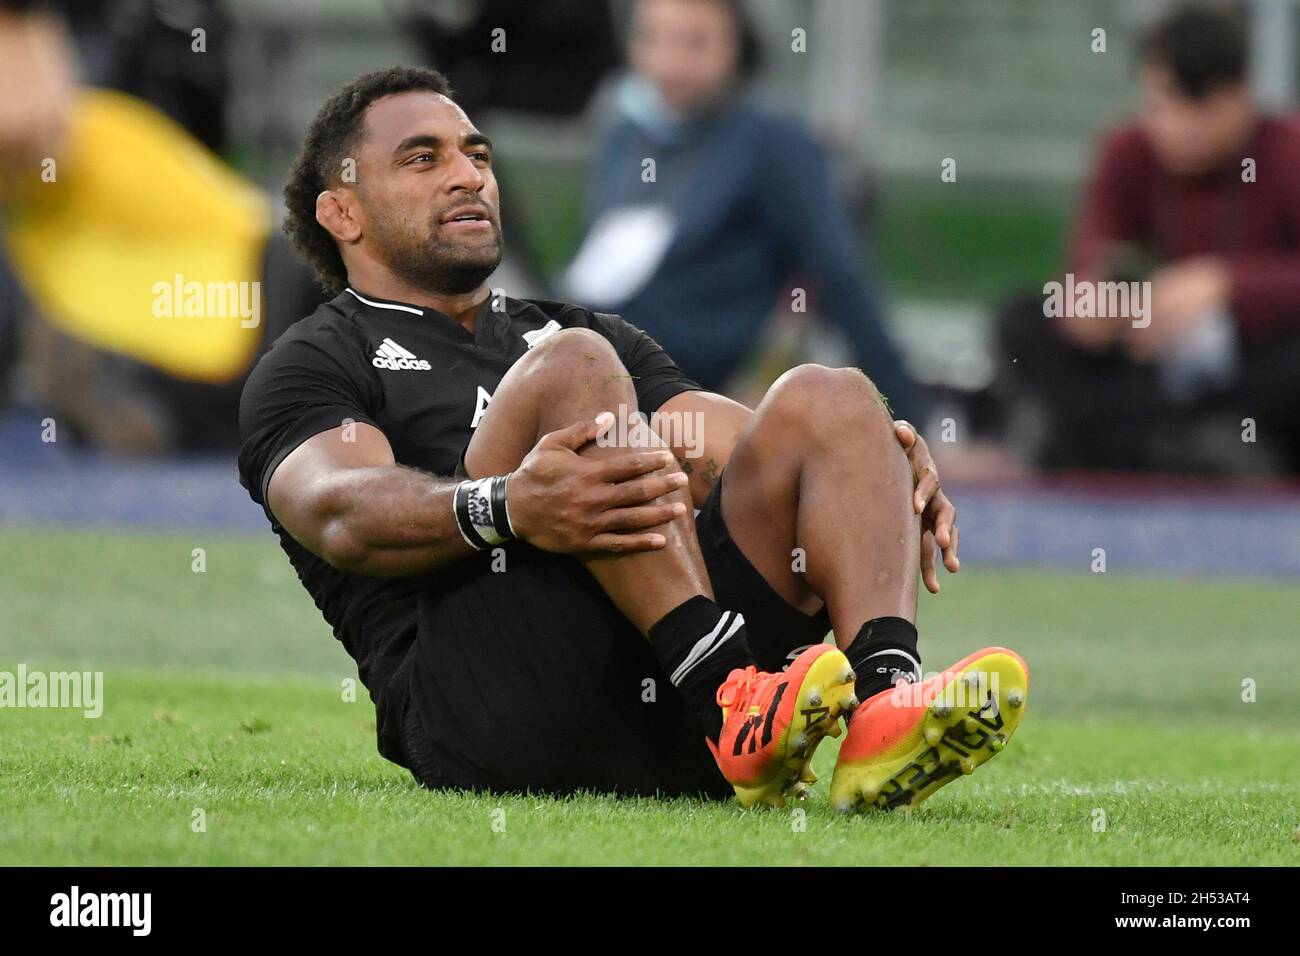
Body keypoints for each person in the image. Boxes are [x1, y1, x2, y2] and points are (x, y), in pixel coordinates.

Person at [238, 66, 1028, 810]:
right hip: (490, 718)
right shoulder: (316, 357)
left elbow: (751, 456)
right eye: (422, 158)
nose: (468, 175)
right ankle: (728, 695)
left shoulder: (576, 329)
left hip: (660, 714)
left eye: (478, 155)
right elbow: (338, 509)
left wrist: (871, 463)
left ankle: (885, 706)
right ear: (340, 211)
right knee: (573, 367)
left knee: (835, 396)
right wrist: (508, 505)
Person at [563, 0, 921, 422]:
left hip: (675, 383)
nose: (668, 61)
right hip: (584, 353)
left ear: (736, 46)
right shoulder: (626, 136)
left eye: (694, 42)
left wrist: (908, 416)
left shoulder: (771, 143)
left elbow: (840, 277)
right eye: (651, 38)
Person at [1000, 3, 1300, 473]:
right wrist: (1098, 298)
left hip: (1250, 367)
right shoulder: (1128, 150)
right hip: (1147, 360)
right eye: (1160, 104)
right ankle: (1174, 448)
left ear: (1238, 98)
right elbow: (1091, 250)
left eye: (1190, 107)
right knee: (1022, 318)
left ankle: (1161, 443)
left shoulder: (1285, 151)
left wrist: (1226, 284)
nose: (1171, 126)